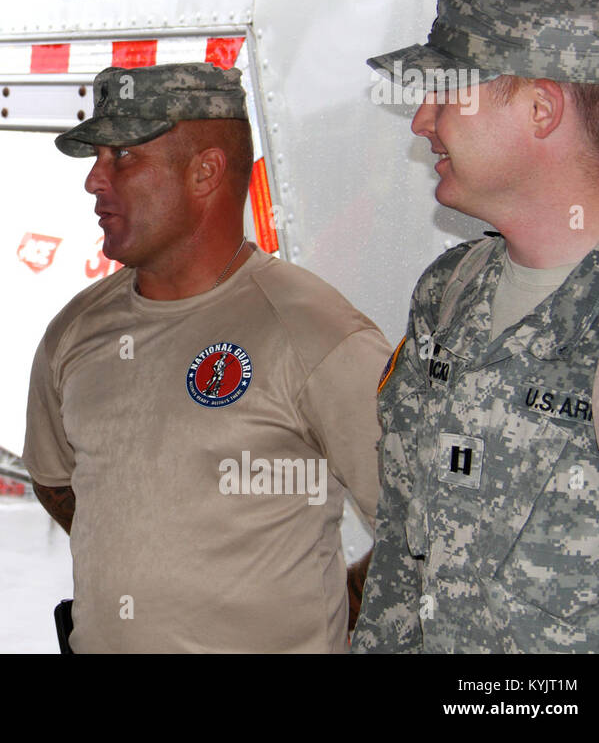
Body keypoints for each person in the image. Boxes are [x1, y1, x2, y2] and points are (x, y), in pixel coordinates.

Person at [23, 62, 391, 652]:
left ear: (205, 172)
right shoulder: (76, 331)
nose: (94, 180)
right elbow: (56, 481)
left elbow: (423, 523)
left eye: (123, 157)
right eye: (97, 157)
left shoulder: (315, 333)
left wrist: (345, 598)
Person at [353, 0, 599, 653]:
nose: (421, 121)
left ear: (542, 108)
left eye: (445, 93)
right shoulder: (449, 293)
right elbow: (399, 565)